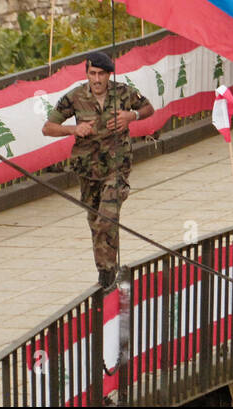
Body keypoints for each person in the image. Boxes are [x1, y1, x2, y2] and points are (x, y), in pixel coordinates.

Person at [42, 51, 154, 288]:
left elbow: (148, 108)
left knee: (107, 217)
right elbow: (48, 127)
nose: (96, 79)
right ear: (87, 74)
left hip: (117, 167)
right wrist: (74, 130)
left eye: (101, 74)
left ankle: (107, 273)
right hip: (88, 169)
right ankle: (106, 269)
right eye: (92, 74)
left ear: (108, 75)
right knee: (96, 220)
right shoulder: (75, 97)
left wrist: (130, 116)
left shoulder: (124, 92)